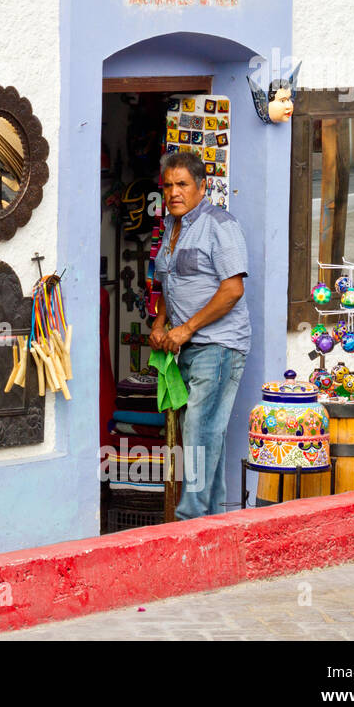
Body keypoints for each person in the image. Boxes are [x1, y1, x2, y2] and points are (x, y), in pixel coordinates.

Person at [148, 151, 250, 520]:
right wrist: (160, 325)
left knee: (199, 428)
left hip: (219, 345)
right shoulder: (171, 230)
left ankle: (189, 519)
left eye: (183, 184)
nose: (174, 192)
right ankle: (214, 521)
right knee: (210, 435)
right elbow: (170, 286)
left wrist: (187, 328)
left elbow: (232, 289)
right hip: (186, 347)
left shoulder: (219, 224)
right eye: (169, 185)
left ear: (202, 187)